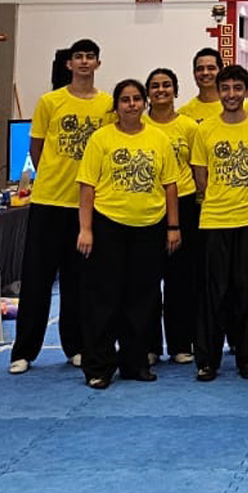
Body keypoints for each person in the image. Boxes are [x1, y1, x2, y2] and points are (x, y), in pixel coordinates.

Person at [9, 38, 114, 375]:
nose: (84, 62)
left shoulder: (108, 105)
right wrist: (54, 176)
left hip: (88, 205)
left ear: (98, 64)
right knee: (37, 278)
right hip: (49, 201)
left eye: (90, 57)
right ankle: (24, 350)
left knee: (79, 280)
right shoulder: (50, 102)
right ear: (69, 64)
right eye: (78, 57)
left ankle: (77, 346)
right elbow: (37, 149)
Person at [75, 79, 181, 389]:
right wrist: (86, 228)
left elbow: (170, 185)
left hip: (150, 227)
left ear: (145, 102)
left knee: (143, 299)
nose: (132, 104)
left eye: (137, 99)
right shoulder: (101, 139)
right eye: (125, 99)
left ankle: (135, 363)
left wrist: (173, 227)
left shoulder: (159, 139)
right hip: (109, 225)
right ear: (117, 106)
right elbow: (87, 186)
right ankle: (99, 367)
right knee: (105, 299)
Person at [190, 64, 248, 382]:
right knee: (214, 293)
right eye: (225, 89)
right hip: (214, 221)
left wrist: (246, 198)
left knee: (247, 292)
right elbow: (201, 179)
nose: (231, 95)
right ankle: (207, 360)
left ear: (247, 92)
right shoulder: (205, 129)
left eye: (237, 88)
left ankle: (247, 357)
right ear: (218, 92)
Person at [144, 67, 200, 365]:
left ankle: (181, 343)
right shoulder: (137, 126)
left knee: (181, 280)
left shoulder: (190, 127)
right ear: (147, 93)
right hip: (149, 208)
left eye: (167, 85)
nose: (161, 90)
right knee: (149, 279)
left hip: (185, 204)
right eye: (155, 86)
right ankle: (150, 345)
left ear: (176, 91)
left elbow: (196, 168)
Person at [178, 48, 248, 123]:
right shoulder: (184, 113)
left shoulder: (243, 106)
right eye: (200, 69)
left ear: (220, 71)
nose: (205, 73)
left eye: (211, 68)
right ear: (194, 74)